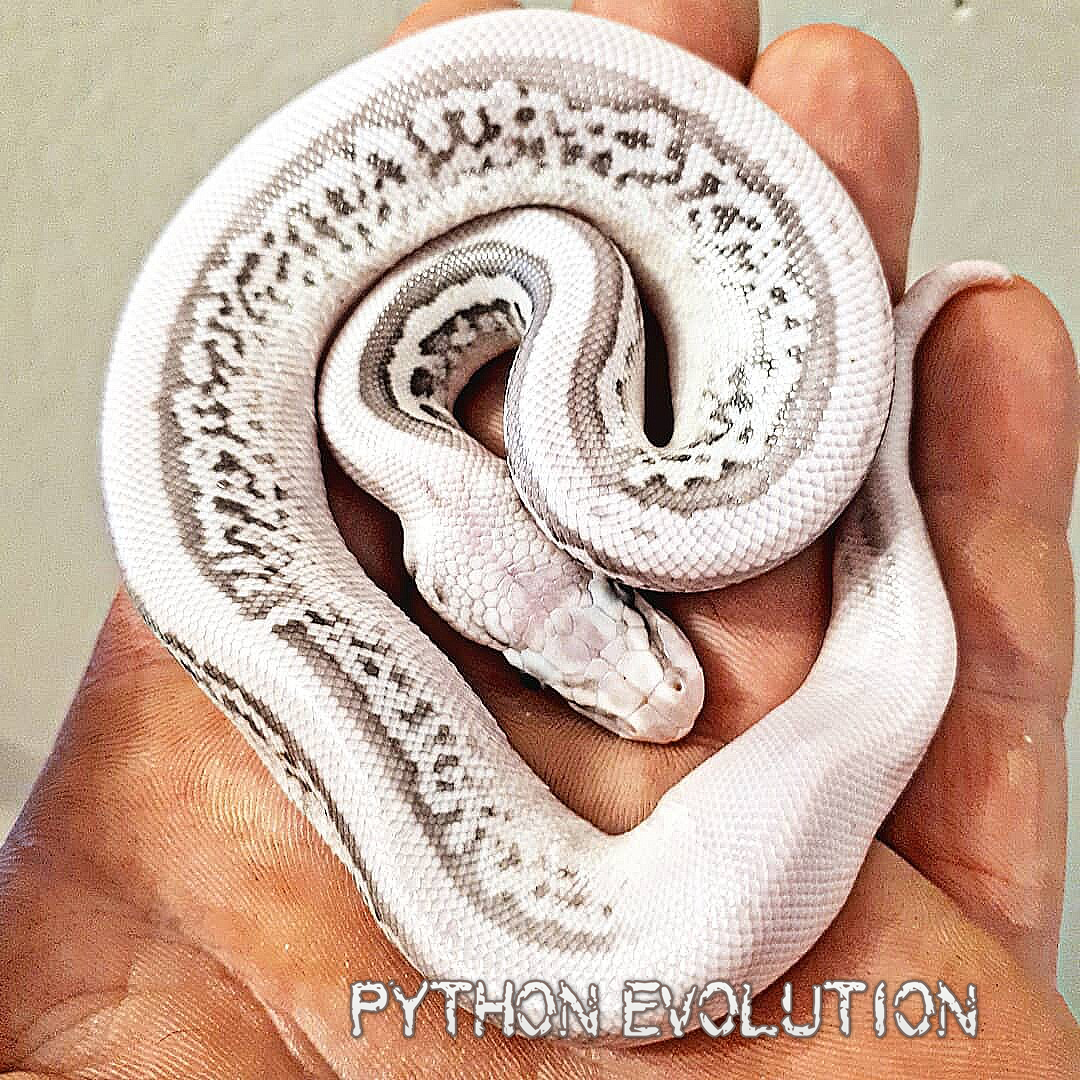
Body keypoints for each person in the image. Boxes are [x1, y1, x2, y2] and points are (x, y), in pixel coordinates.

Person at [1, 0, 1075, 1074]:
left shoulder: (517, 357)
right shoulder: (447, 424)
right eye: (556, 671)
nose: (659, 690)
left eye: (615, 594)